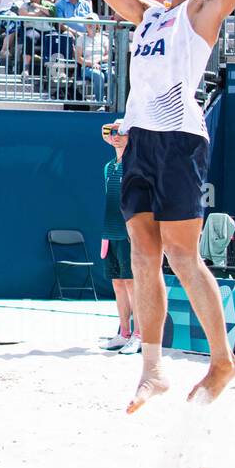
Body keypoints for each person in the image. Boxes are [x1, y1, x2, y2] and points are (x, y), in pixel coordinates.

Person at [83, 0, 235, 413]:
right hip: (139, 140)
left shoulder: (200, 14)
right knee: (142, 254)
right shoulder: (150, 14)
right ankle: (153, 368)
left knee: (182, 256)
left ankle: (222, 360)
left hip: (179, 139)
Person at [100, 123, 141, 355]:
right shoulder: (108, 167)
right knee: (118, 283)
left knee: (132, 284)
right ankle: (124, 332)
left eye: (122, 132)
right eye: (113, 133)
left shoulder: (136, 165)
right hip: (111, 231)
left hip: (130, 234)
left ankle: (139, 334)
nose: (116, 136)